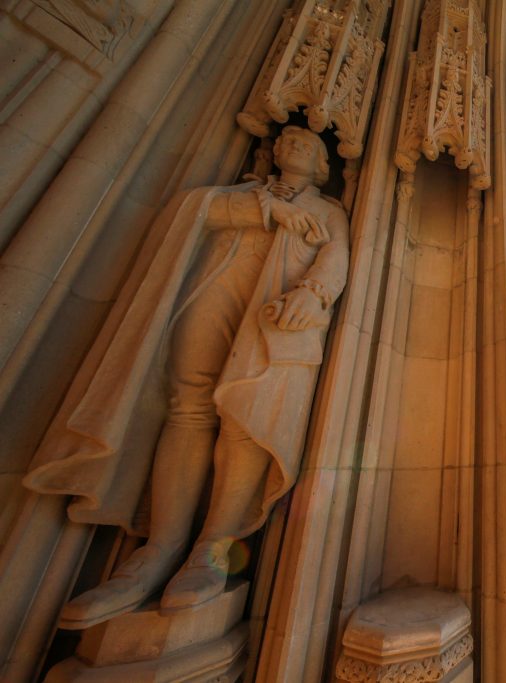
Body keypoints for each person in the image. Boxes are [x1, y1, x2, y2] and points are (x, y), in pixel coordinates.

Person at [25, 126, 350, 628]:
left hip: (273, 316)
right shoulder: (244, 193)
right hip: (212, 294)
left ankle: (211, 551)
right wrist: (265, 209)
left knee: (244, 419)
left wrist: (314, 293)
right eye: (287, 140)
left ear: (324, 166)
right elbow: (194, 211)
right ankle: (160, 547)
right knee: (187, 407)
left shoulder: (328, 210)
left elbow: (337, 255)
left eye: (307, 145)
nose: (293, 146)